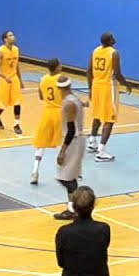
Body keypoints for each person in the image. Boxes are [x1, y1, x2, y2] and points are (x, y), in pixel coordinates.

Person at [87, 32, 130, 162]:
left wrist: (90, 89)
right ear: (110, 41)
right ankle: (101, 152)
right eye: (112, 38)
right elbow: (117, 74)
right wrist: (127, 84)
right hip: (108, 87)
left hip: (96, 85)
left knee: (97, 115)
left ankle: (92, 141)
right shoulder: (114, 53)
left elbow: (88, 71)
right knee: (110, 119)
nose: (114, 39)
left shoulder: (95, 51)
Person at [54, 74, 88, 220]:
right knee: (68, 178)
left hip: (73, 141)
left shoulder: (69, 103)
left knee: (66, 178)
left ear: (58, 88)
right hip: (74, 140)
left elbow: (71, 130)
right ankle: (74, 208)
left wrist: (62, 150)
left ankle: (74, 209)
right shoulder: (73, 98)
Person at [31, 58, 65, 185]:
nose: (61, 66)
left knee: (41, 144)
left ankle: (35, 171)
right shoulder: (62, 79)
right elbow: (68, 96)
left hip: (47, 113)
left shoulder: (43, 79)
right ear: (56, 67)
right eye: (60, 64)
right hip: (60, 113)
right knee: (62, 143)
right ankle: (64, 173)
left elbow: (41, 96)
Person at [0, 30, 23, 134]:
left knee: (17, 102)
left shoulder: (16, 49)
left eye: (13, 35)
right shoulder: (0, 51)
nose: (13, 37)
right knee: (3, 104)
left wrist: (20, 80)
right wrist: (4, 77)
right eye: (10, 35)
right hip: (3, 79)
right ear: (5, 39)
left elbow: (17, 66)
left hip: (14, 78)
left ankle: (16, 124)